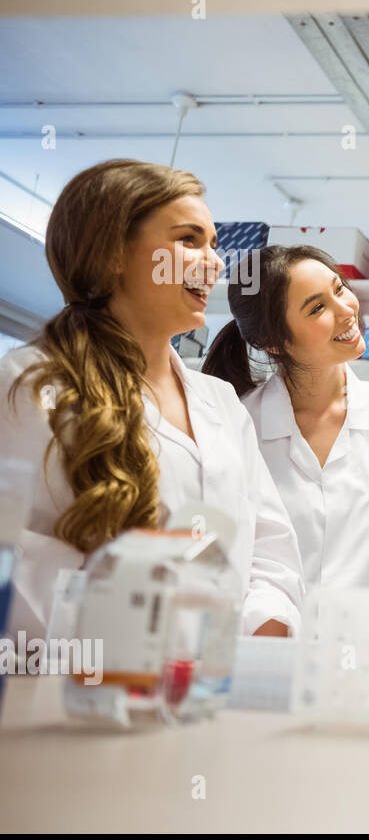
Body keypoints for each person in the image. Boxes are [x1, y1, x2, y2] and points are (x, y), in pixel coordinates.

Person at [0, 159, 303, 641]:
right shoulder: (32, 388)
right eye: (188, 240)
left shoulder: (220, 403)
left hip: (211, 690)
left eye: (214, 244)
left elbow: (270, 548)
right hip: (78, 700)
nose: (215, 262)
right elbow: (20, 572)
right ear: (113, 253)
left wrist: (250, 638)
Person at [202, 245, 369, 595]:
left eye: (339, 288)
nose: (346, 310)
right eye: (317, 308)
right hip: (270, 646)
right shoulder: (239, 428)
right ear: (274, 342)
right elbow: (219, 563)